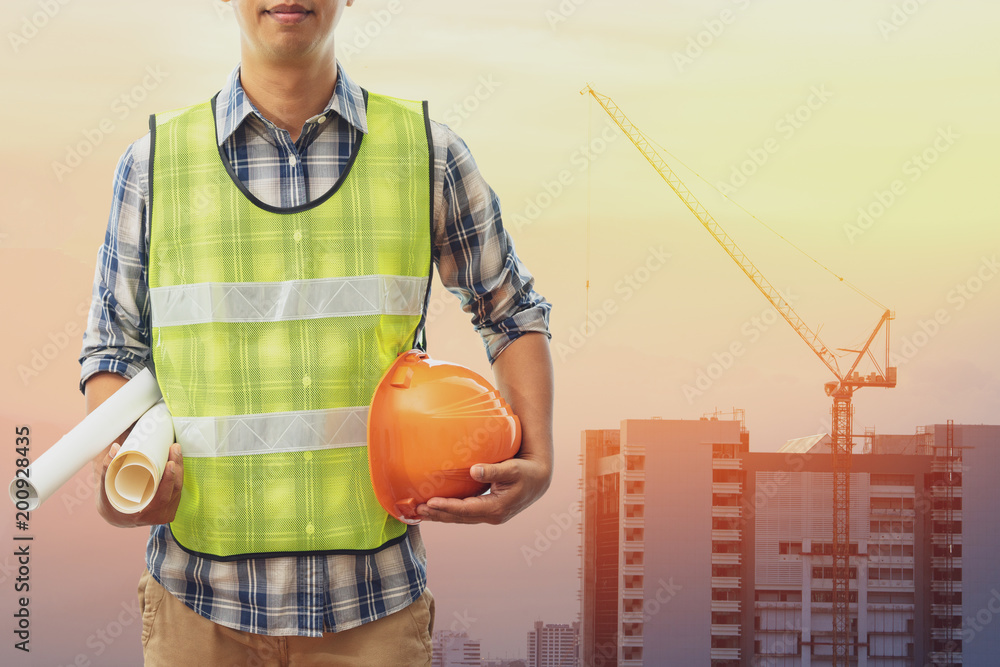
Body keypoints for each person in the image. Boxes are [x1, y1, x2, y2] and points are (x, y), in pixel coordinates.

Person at [78, 1, 554, 665]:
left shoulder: (428, 152)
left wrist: (538, 453)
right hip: (197, 613)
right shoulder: (152, 165)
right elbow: (113, 347)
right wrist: (124, 475)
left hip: (373, 612)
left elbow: (511, 307)